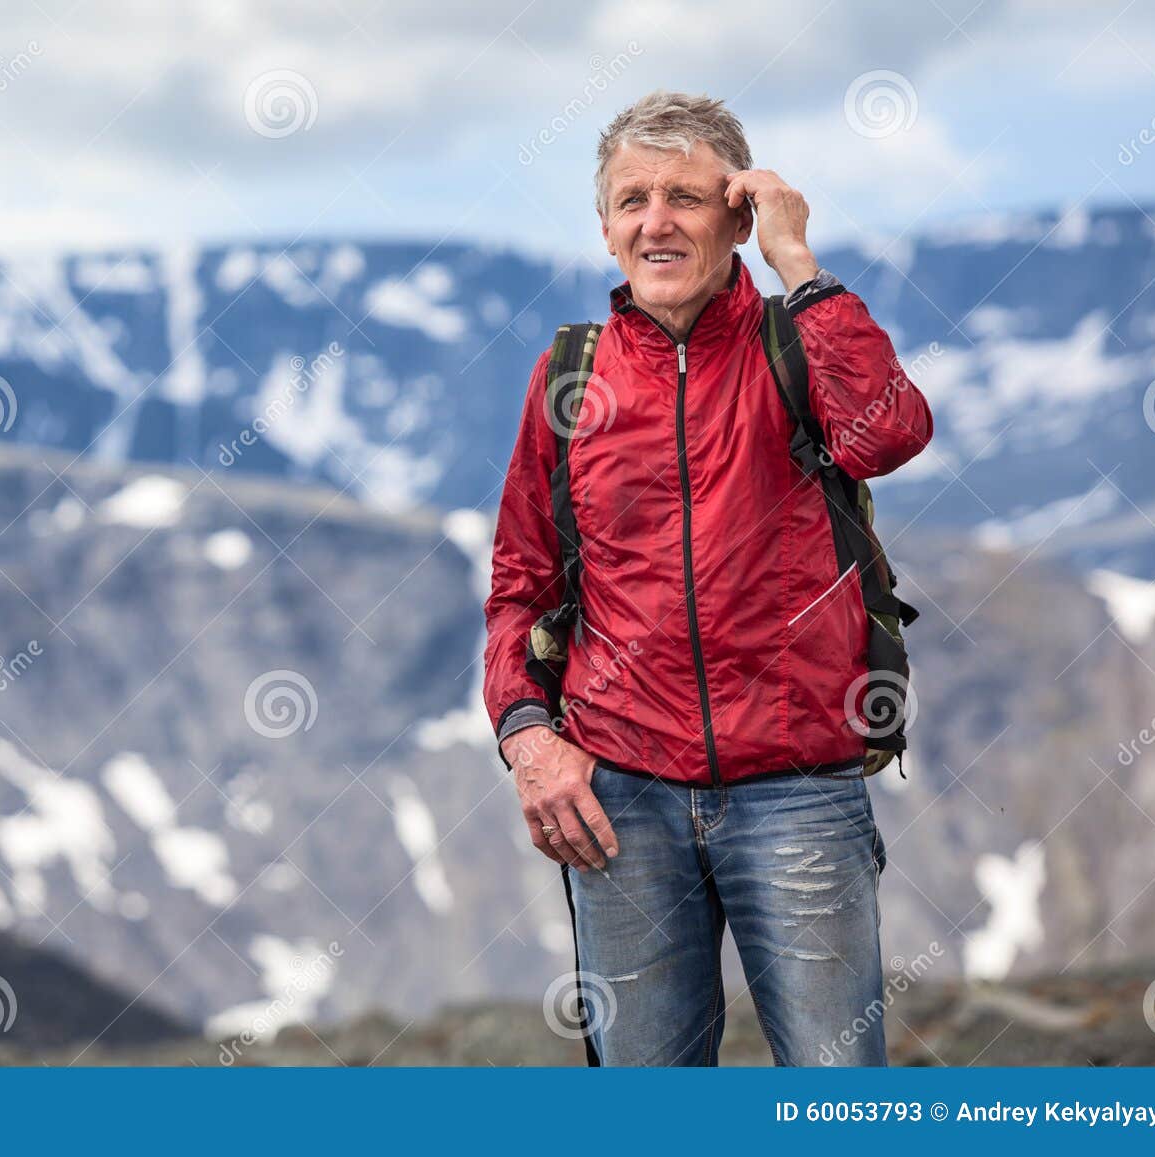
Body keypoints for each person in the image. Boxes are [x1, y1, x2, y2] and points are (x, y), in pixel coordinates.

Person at [482, 91, 933, 1066]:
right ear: (604, 228)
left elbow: (890, 430)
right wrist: (528, 736)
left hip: (797, 787)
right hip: (620, 794)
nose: (655, 221)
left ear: (737, 215)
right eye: (631, 199)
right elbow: (519, 581)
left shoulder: (793, 342)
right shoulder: (569, 372)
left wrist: (799, 265)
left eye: (684, 196)